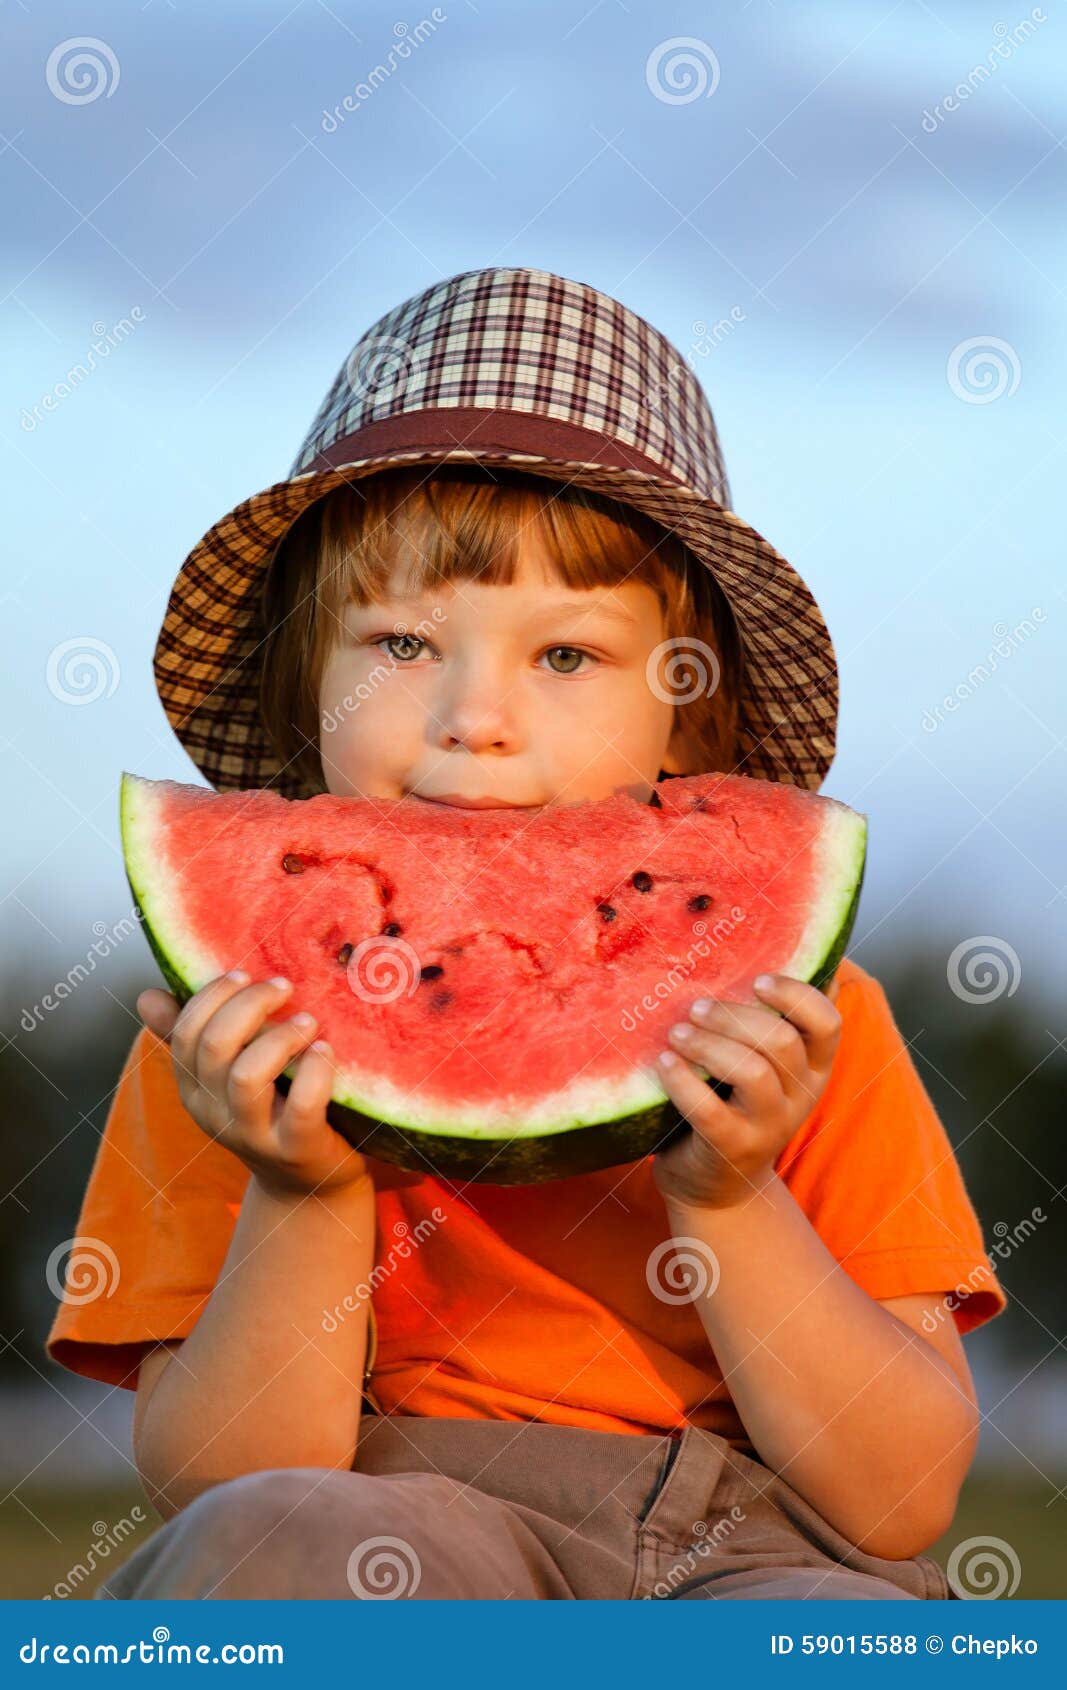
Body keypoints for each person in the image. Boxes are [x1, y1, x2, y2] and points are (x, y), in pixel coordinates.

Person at [47, 266, 1006, 1601]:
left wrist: (732, 1191)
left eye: (565, 657)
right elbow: (231, 1485)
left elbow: (900, 1496)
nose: (472, 717)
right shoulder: (230, 1043)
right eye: (397, 643)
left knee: (851, 1634)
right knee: (288, 1547)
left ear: (691, 717)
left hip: (748, 1547)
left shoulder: (810, 1024)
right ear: (301, 688)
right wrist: (303, 1184)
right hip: (399, 1526)